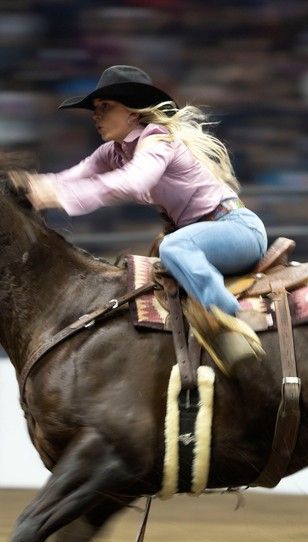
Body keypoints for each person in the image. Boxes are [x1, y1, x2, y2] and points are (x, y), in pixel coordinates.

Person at [22, 65, 266, 375]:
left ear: (133, 112)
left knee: (173, 248)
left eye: (105, 107)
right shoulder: (113, 152)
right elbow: (71, 176)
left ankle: (230, 319)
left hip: (237, 230)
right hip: (206, 236)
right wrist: (26, 186)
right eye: (95, 109)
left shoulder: (158, 139)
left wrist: (57, 196)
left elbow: (134, 181)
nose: (95, 115)